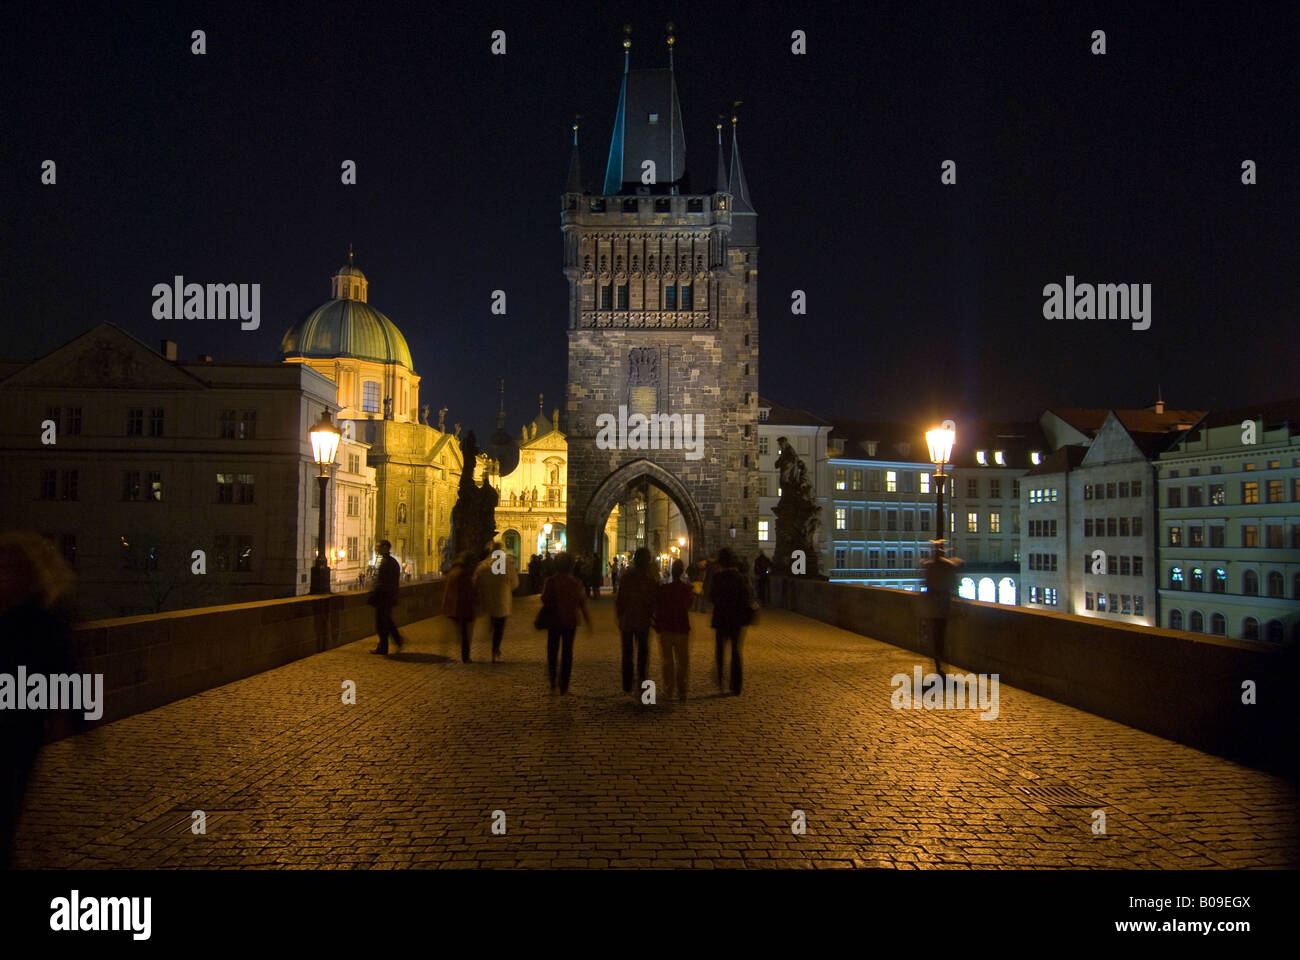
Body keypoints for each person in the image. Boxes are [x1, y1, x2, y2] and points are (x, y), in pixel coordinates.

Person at [0, 533, 76, 868]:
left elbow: (64, 664)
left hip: (20, 724)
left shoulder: (42, 617)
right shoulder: (43, 615)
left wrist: (76, 714)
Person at [539, 553, 591, 694]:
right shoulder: (576, 582)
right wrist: (588, 621)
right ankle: (565, 683)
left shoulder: (550, 581)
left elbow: (544, 599)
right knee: (567, 652)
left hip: (554, 620)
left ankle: (552, 678)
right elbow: (582, 602)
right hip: (570, 621)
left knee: (552, 650)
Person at [709, 548, 755, 695]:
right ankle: (736, 686)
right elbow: (748, 596)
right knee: (736, 651)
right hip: (737, 619)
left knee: (720, 649)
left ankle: (721, 679)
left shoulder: (718, 578)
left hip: (722, 618)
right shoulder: (741, 578)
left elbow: (711, 597)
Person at [615, 547, 658, 696]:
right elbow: (654, 600)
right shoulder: (650, 578)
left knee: (627, 653)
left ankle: (627, 684)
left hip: (628, 620)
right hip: (643, 621)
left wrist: (619, 615)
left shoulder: (627, 576)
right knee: (643, 654)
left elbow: (620, 598)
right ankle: (642, 681)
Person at [654, 558, 694, 702]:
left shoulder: (664, 589)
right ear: (682, 571)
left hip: (666, 628)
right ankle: (682, 691)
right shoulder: (686, 589)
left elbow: (658, 607)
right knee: (682, 661)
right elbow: (689, 605)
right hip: (682, 628)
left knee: (667, 661)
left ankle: (668, 689)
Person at [474, 541, 519, 663]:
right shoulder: (507, 564)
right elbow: (515, 583)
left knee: (491, 621)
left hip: (487, 599)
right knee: (499, 627)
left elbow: (476, 580)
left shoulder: (484, 564)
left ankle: (485, 643)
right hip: (502, 600)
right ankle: (495, 651)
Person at [922, 541, 962, 673]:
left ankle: (938, 665)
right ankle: (941, 666)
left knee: (935, 637)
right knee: (941, 636)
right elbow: (954, 583)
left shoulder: (929, 565)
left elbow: (925, 582)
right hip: (943, 605)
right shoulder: (948, 565)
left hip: (932, 606)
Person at [368, 540, 405, 655]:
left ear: (386, 547)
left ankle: (385, 646)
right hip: (386, 596)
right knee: (386, 621)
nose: (377, 549)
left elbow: (386, 582)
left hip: (385, 597)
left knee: (382, 623)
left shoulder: (388, 562)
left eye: (378, 546)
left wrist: (376, 592)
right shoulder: (388, 561)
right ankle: (395, 641)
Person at [440, 552, 476, 662]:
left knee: (458, 632)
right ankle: (465, 657)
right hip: (461, 607)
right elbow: (467, 592)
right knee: (464, 634)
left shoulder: (453, 571)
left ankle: (445, 653)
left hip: (452, 607)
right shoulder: (463, 573)